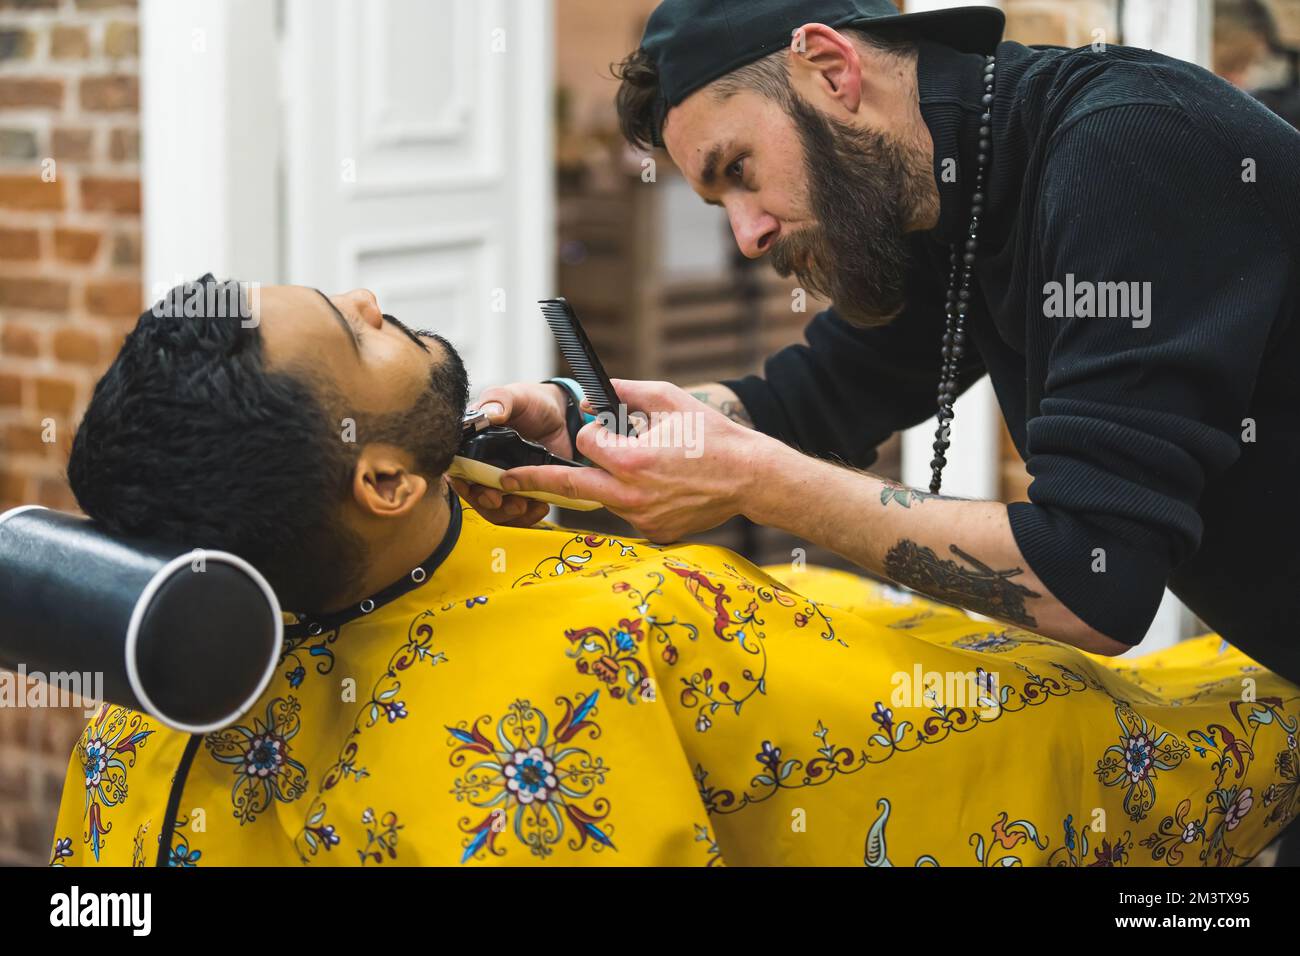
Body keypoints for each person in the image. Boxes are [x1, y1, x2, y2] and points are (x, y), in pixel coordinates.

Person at [47, 276, 1299, 866]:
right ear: (376, 483)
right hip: (1067, 754)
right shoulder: (533, 745)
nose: (378, 299)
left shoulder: (159, 688)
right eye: (357, 327)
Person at [464, 0, 1300, 687]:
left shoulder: (1128, 150)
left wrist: (755, 481)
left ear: (831, 68)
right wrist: (585, 430)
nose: (748, 236)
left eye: (740, 171)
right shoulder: (948, 193)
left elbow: (1090, 580)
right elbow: (808, 401)